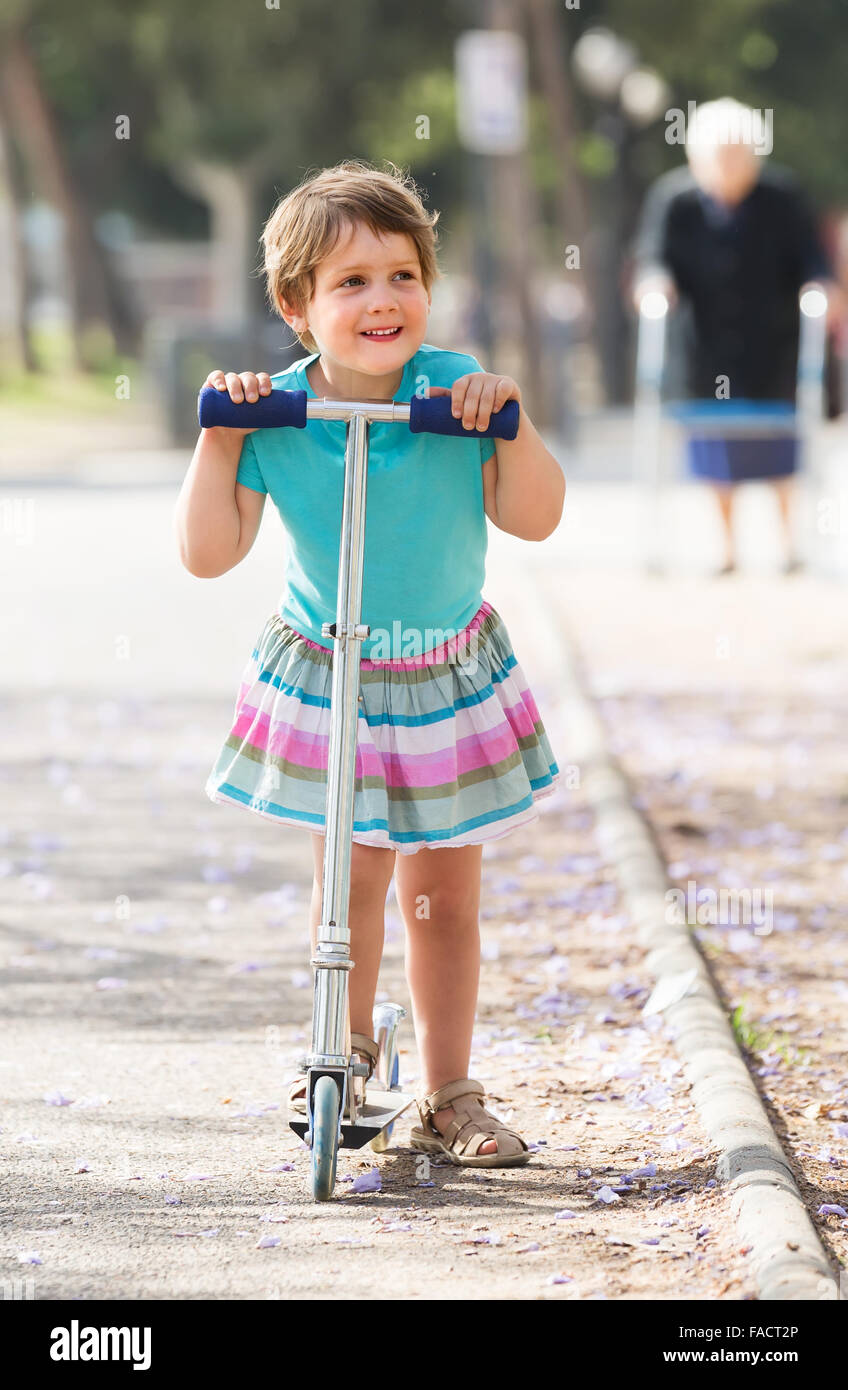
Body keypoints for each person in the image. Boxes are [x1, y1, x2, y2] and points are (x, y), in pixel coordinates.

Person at [174, 160, 565, 1167]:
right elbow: (207, 555)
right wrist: (219, 437)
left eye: (401, 274)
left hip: (437, 673)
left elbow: (534, 516)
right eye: (350, 283)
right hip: (335, 671)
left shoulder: (452, 394)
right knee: (345, 885)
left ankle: (449, 1091)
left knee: (443, 901)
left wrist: (506, 417)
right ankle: (336, 1048)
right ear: (298, 306)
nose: (381, 298)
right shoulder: (278, 412)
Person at [632, 98, 842, 575]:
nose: (730, 167)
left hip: (772, 347)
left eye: (740, 155)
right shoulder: (674, 199)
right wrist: (654, 284)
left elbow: (812, 258)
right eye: (721, 157)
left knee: (779, 448)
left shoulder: (782, 196)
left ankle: (791, 544)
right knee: (717, 453)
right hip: (704, 349)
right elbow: (653, 256)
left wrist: (820, 287)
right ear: (697, 159)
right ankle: (727, 549)